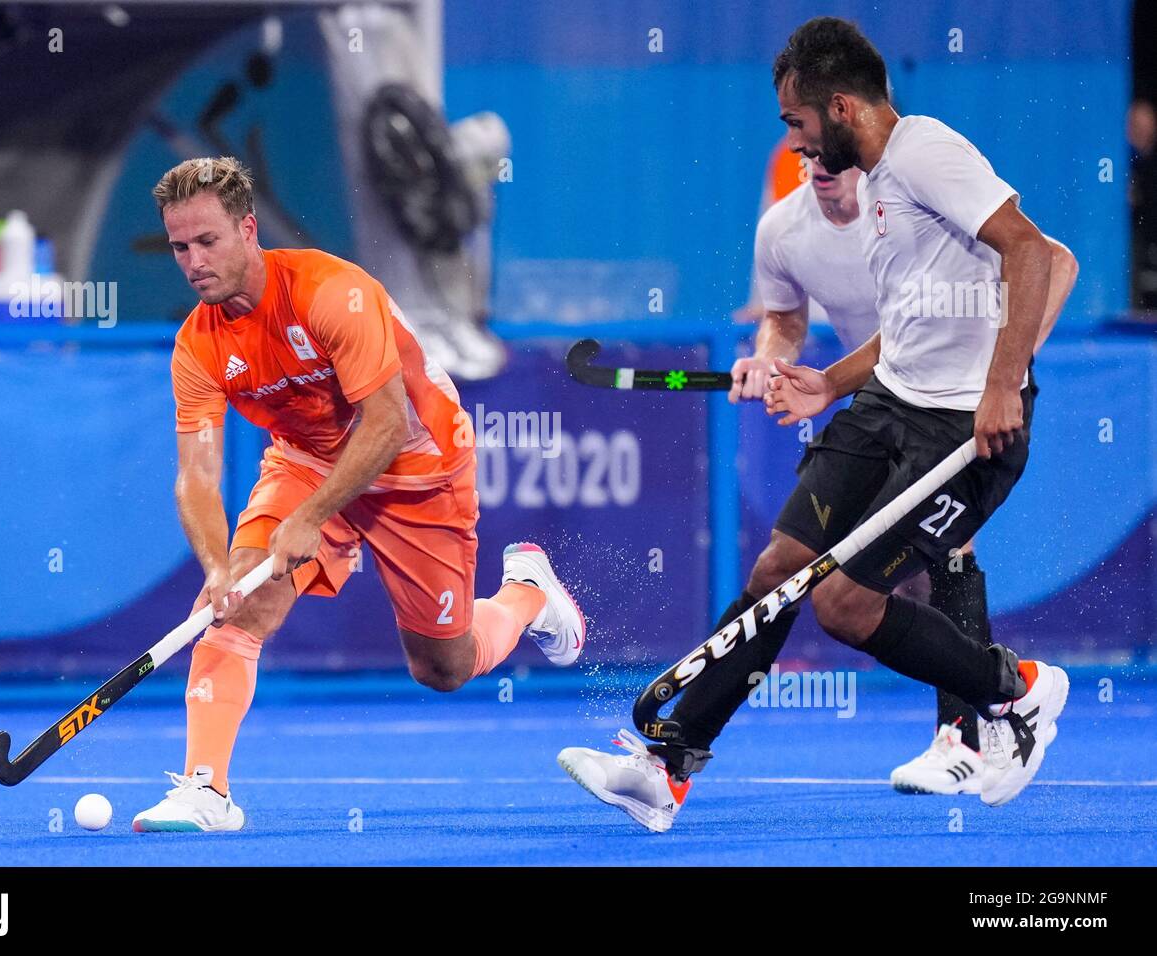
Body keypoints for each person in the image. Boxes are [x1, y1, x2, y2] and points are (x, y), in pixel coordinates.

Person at [559, 16, 1070, 831]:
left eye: (797, 123)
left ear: (838, 106)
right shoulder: (870, 188)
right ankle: (667, 766)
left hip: (962, 434)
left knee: (842, 605)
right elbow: (909, 326)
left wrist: (1005, 383)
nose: (794, 143)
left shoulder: (925, 150)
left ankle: (1018, 693)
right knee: (777, 570)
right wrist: (825, 385)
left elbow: (1036, 254)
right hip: (888, 405)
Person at [132, 156, 585, 832]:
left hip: (416, 463)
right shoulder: (198, 345)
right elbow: (196, 474)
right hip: (307, 459)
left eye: (207, 241)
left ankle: (526, 596)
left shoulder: (327, 291)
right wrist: (219, 569)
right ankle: (207, 791)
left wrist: (311, 519)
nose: (193, 261)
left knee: (443, 667)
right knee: (237, 610)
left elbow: (386, 422)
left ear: (248, 229)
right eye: (179, 247)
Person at [729, 153, 1077, 794]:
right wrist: (766, 360)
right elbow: (787, 321)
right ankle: (994, 715)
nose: (816, 163)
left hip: (948, 405)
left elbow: (1054, 261)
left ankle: (964, 739)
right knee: (828, 577)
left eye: (822, 147)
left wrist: (1003, 371)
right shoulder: (786, 230)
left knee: (946, 552)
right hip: (879, 404)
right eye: (802, 150)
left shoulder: (923, 195)